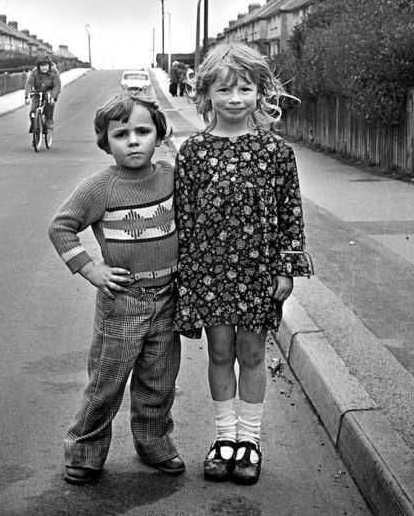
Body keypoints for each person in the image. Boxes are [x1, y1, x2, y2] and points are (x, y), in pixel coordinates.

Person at [174, 42, 310, 485]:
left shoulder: (276, 152)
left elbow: (290, 212)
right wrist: (185, 275)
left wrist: (286, 267)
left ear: (260, 93)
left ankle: (249, 441)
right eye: (224, 89)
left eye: (245, 89)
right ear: (206, 94)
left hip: (258, 272)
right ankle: (224, 438)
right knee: (219, 353)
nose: (235, 98)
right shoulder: (192, 152)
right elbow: (184, 218)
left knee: (252, 354)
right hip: (210, 271)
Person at [48, 93, 183, 485]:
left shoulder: (171, 177)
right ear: (106, 143)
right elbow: (60, 227)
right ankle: (84, 450)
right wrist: (92, 270)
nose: (134, 141)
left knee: (158, 381)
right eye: (121, 134)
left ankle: (154, 442)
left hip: (168, 300)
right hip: (123, 303)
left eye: (143, 131)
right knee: (106, 383)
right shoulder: (100, 188)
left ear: (159, 134)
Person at [24, 55, 61, 133]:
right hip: (38, 92)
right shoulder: (35, 72)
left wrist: (53, 96)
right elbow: (29, 83)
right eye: (42, 65)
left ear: (49, 65)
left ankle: (49, 120)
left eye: (46, 65)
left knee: (49, 100)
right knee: (33, 112)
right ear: (38, 66)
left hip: (49, 91)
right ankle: (34, 126)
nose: (44, 68)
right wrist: (27, 96)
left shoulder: (54, 72)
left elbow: (57, 85)